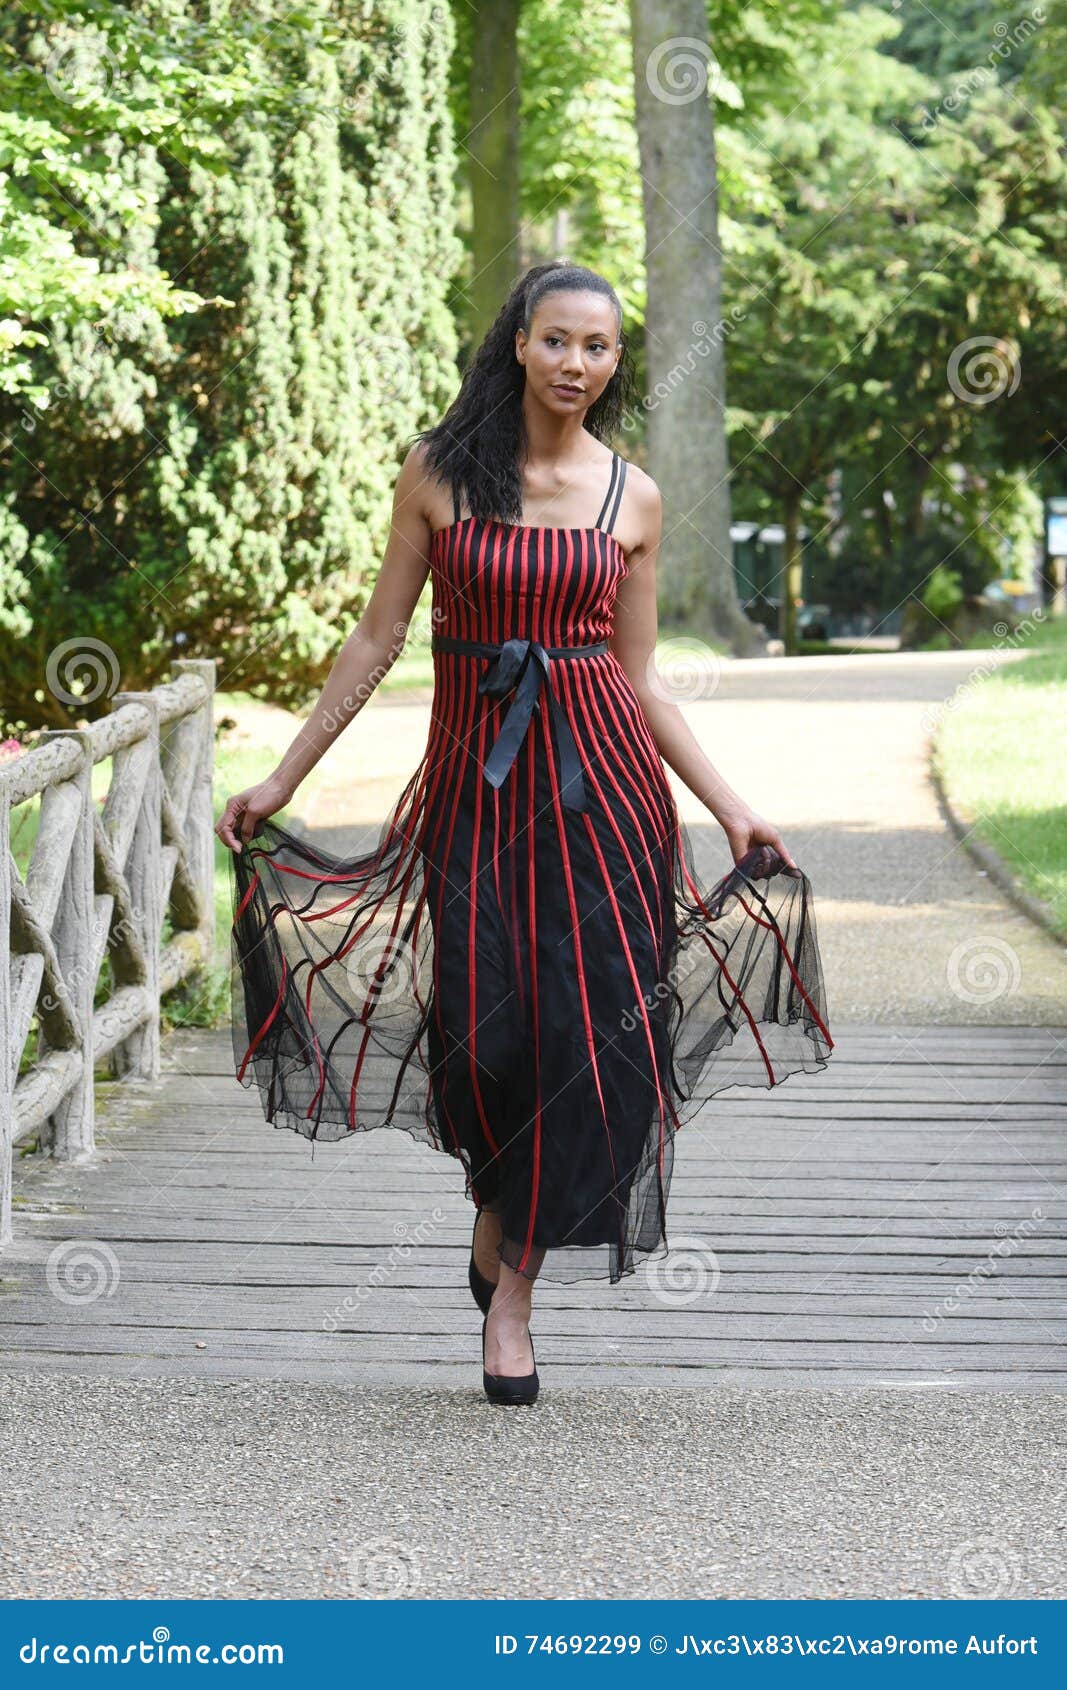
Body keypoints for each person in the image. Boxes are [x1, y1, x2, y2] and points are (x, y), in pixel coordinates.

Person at [217, 261, 833, 1407]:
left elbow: (642, 683)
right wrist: (281, 772)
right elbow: (373, 642)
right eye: (556, 340)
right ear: (518, 342)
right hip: (474, 795)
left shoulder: (631, 498)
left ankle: (513, 1300)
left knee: (586, 1043)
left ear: (612, 363)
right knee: (488, 1038)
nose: (575, 365)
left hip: (602, 794)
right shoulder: (441, 473)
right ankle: (498, 1209)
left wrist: (730, 803)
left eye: (597, 349)